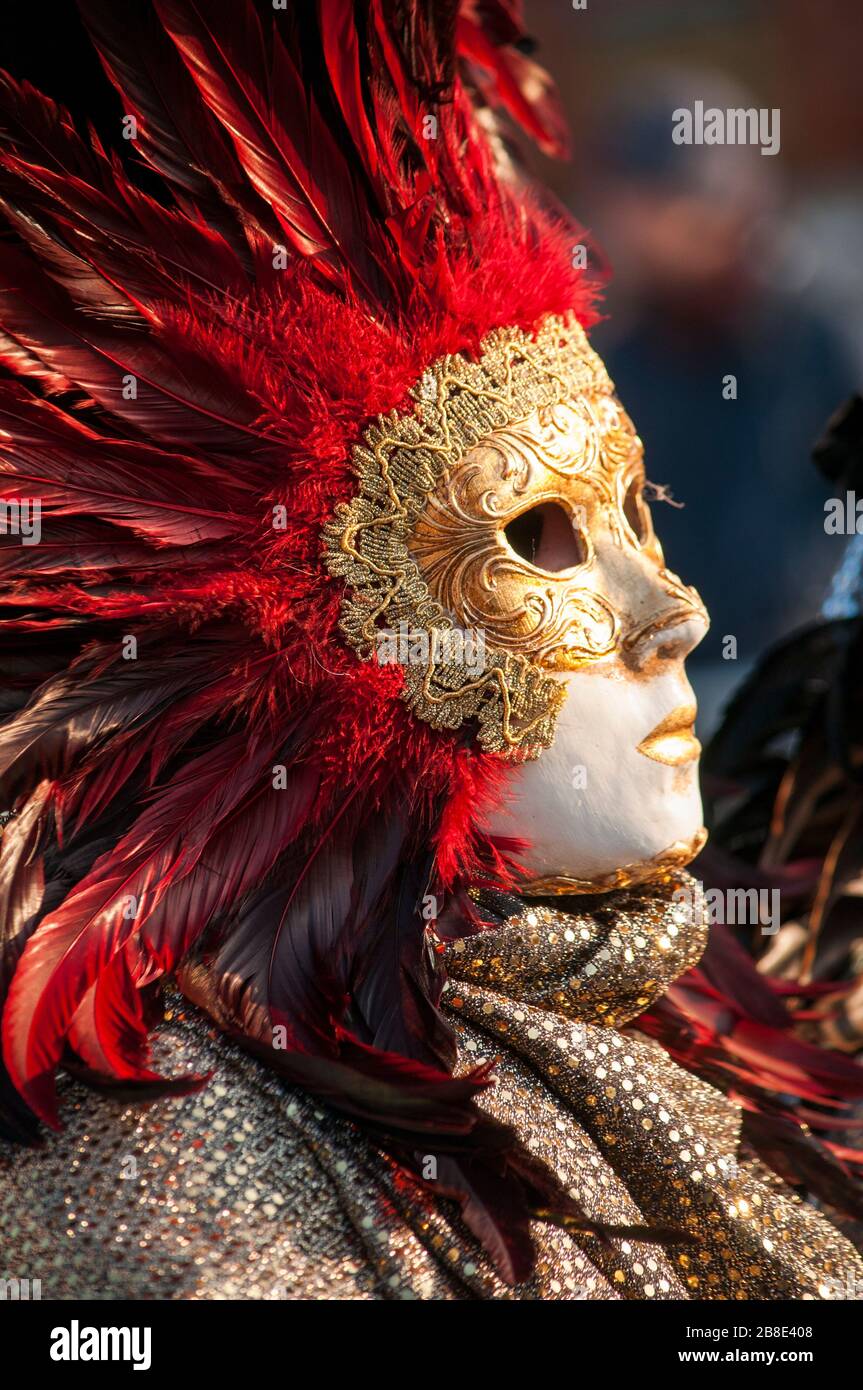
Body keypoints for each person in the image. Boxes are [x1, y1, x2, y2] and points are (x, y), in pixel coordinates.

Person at [0, 0, 861, 1300]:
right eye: (544, 538)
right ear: (333, 647)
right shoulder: (191, 1212)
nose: (672, 611)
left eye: (639, 514)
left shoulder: (670, 1012)